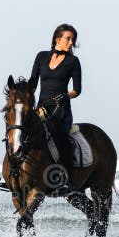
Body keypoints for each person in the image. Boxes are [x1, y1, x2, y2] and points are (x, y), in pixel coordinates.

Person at [29, 23, 82, 195]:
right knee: (22, 133)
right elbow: (33, 83)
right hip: (42, 109)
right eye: (68, 38)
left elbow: (77, 90)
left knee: (61, 138)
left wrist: (66, 95)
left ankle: (67, 181)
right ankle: (15, 176)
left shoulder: (73, 61)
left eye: (72, 40)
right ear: (57, 39)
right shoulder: (41, 57)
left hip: (61, 111)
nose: (70, 42)